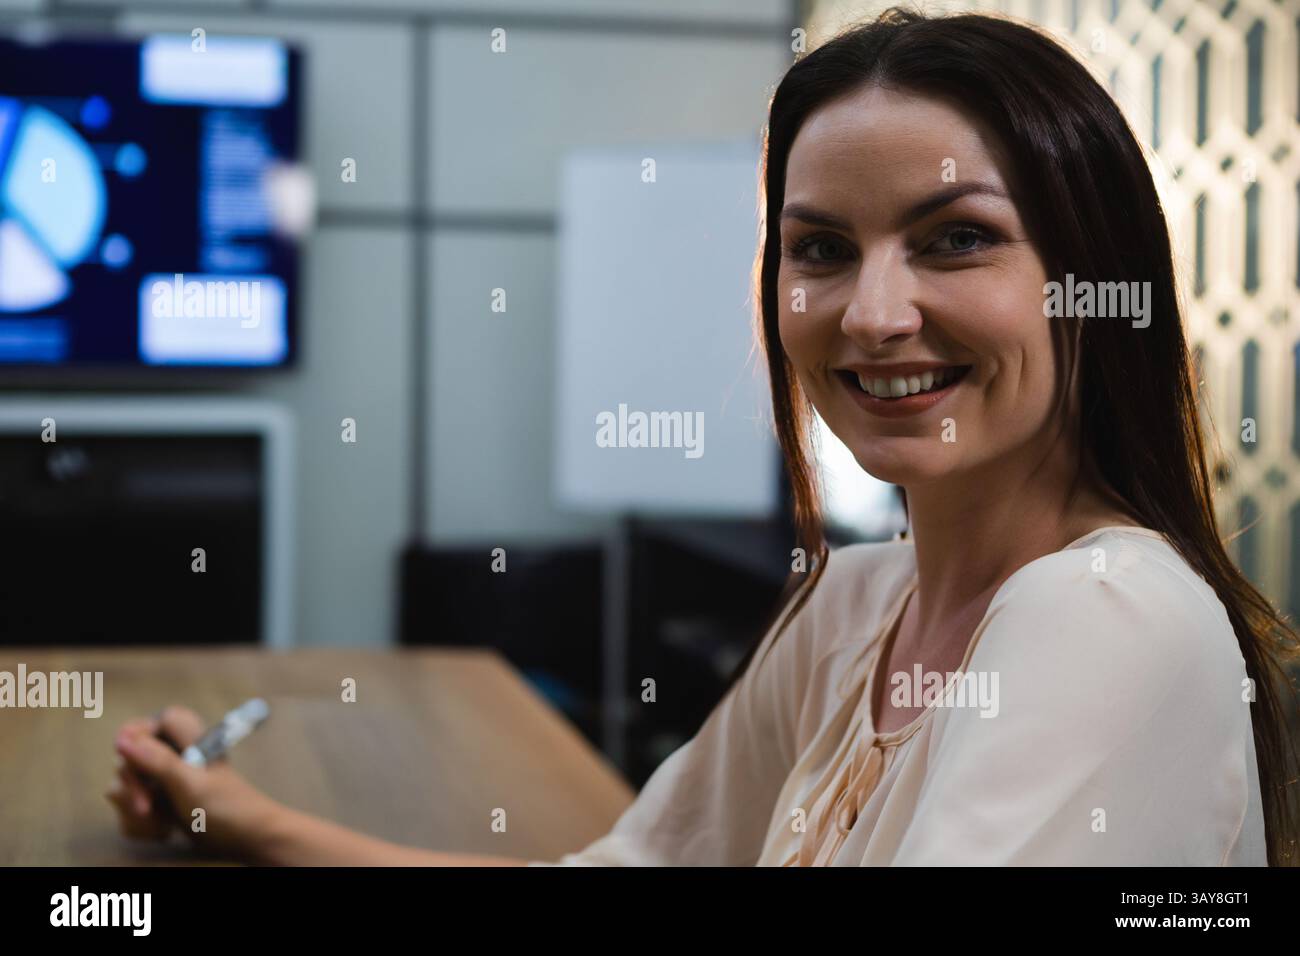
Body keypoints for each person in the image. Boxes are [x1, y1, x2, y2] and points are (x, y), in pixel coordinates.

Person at [109, 7, 1298, 865]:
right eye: (821, 248)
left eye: (954, 239)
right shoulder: (850, 604)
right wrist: (240, 815)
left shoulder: (1106, 613)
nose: (874, 315)